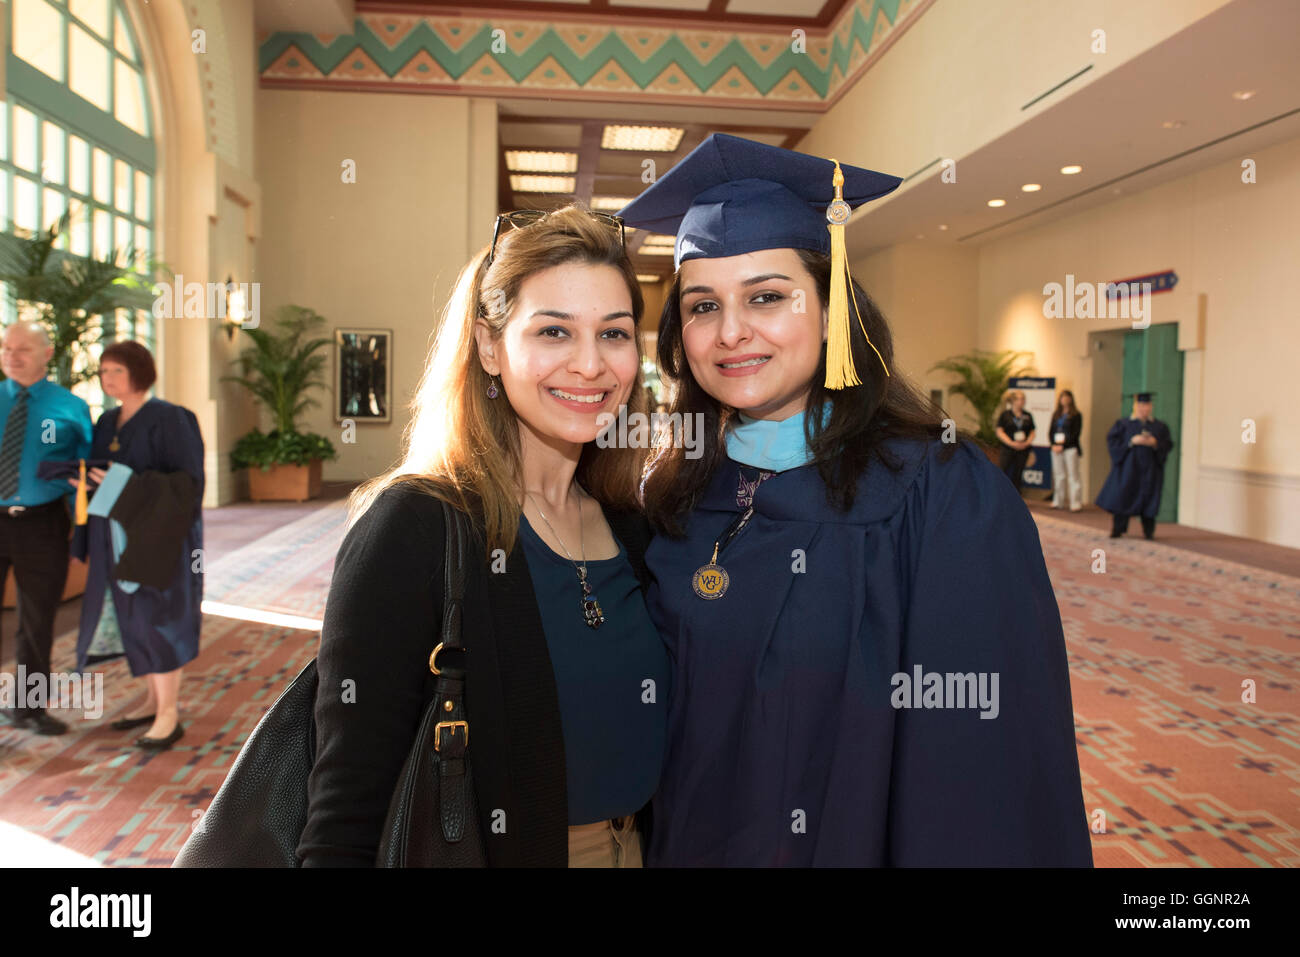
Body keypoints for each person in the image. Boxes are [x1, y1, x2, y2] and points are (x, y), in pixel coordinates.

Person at [622, 133, 1091, 866]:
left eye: (767, 297)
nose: (732, 331)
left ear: (834, 309)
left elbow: (980, 764)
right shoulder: (675, 491)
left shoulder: (938, 494)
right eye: (702, 304)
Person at [298, 206, 669, 867]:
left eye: (614, 334)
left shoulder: (631, 527)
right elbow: (343, 813)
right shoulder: (414, 527)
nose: (591, 364)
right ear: (490, 345)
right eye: (554, 331)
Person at [66, 341, 204, 750]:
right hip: (113, 535)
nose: (107, 379)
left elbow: (188, 486)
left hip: (159, 539)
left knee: (158, 616)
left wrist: (123, 484)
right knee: (131, 618)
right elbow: (101, 477)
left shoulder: (173, 419)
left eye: (117, 371)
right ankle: (150, 700)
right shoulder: (107, 422)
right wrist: (84, 487)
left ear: (140, 373)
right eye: (103, 371)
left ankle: (169, 713)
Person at [0, 321, 91, 735]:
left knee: (36, 623)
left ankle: (29, 708)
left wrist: (83, 527)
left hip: (43, 523)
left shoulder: (71, 406)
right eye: (5, 348)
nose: (12, 356)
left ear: (46, 353)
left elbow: (87, 473)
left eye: (22, 349)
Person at [1096, 392, 1174, 540]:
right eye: (1141, 405)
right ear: (1135, 406)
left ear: (1151, 406)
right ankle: (1118, 529)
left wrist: (1155, 443)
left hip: (1150, 471)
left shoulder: (1159, 426)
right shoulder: (1123, 424)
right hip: (1128, 470)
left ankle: (1149, 531)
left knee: (1149, 499)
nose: (1144, 408)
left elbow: (1168, 444)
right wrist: (1131, 441)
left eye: (1147, 405)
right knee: (1123, 496)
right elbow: (1113, 443)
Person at [995, 389, 1035, 492]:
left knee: (1018, 474)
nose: (1021, 401)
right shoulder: (1005, 415)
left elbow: (1032, 432)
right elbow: (999, 431)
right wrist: (1011, 443)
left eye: (1023, 399)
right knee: (1003, 471)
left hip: (1023, 449)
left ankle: (1016, 496)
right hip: (1008, 448)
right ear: (1012, 401)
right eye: (1019, 399)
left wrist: (1026, 443)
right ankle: (1000, 493)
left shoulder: (1027, 415)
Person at [1049, 389, 1084, 511]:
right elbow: (1051, 432)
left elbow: (1076, 433)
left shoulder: (1076, 415)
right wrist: (1053, 445)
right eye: (1062, 397)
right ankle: (1058, 501)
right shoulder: (1056, 414)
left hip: (1070, 448)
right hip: (1056, 448)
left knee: (1073, 476)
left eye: (1067, 397)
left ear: (1071, 399)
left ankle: (1075, 502)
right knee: (1059, 475)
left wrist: (1063, 446)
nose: (1064, 400)